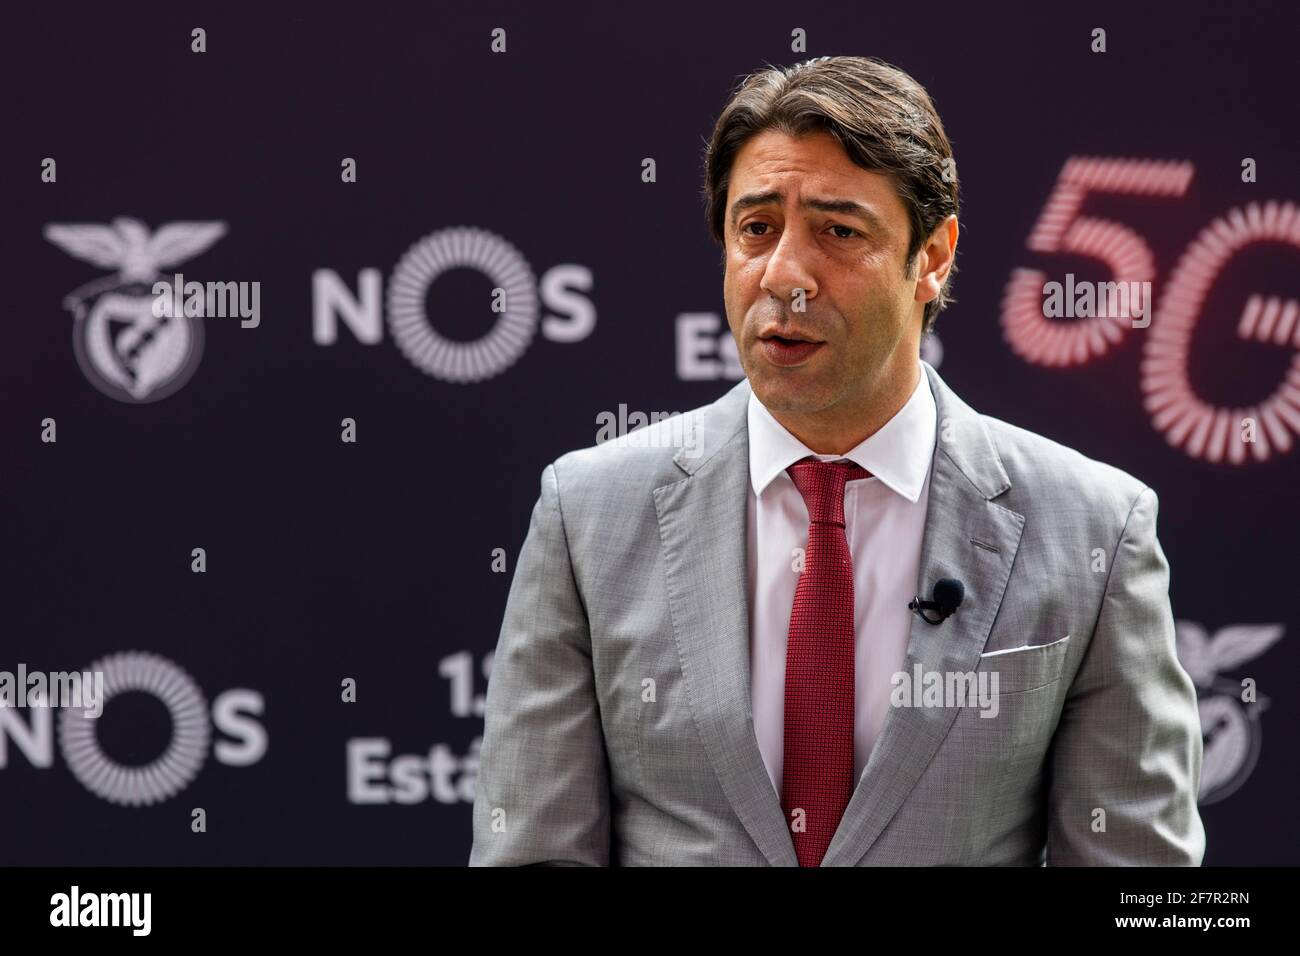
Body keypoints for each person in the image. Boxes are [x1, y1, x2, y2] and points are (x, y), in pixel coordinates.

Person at [469, 55, 1206, 866]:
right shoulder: (588, 514)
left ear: (932, 257)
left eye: (839, 231)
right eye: (756, 229)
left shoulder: (1096, 528)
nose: (784, 276)